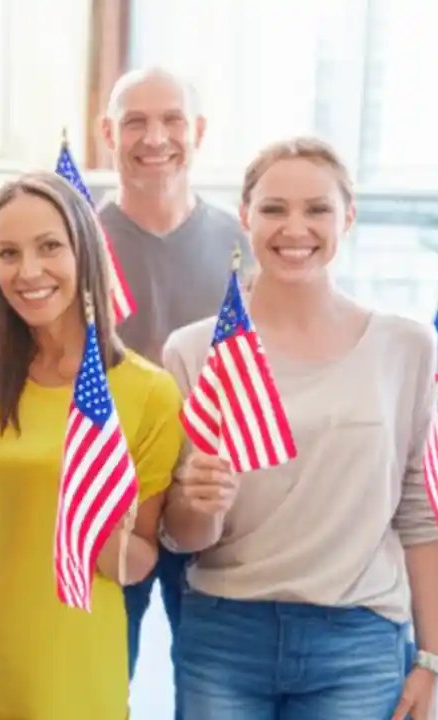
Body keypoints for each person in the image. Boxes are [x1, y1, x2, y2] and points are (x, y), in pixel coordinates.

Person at [162, 137, 438, 720]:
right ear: (245, 216)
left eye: (317, 208)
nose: (296, 227)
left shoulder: (407, 345)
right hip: (225, 633)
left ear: (349, 215)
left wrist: (431, 659)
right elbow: (181, 535)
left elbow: (422, 513)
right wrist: (201, 503)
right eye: (273, 209)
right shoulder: (196, 350)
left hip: (359, 639)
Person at [0, 171, 184, 719]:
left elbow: (139, 558)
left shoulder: (148, 392)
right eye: (8, 253)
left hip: (71, 682)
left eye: (49, 247)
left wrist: (95, 533)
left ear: (84, 253)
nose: (29, 271)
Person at [95, 66, 252, 693]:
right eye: (135, 121)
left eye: (172, 121)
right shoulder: (78, 241)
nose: (154, 138)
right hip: (109, 506)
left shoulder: (241, 244)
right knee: (99, 686)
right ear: (108, 132)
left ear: (200, 132)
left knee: (211, 692)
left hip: (210, 507)